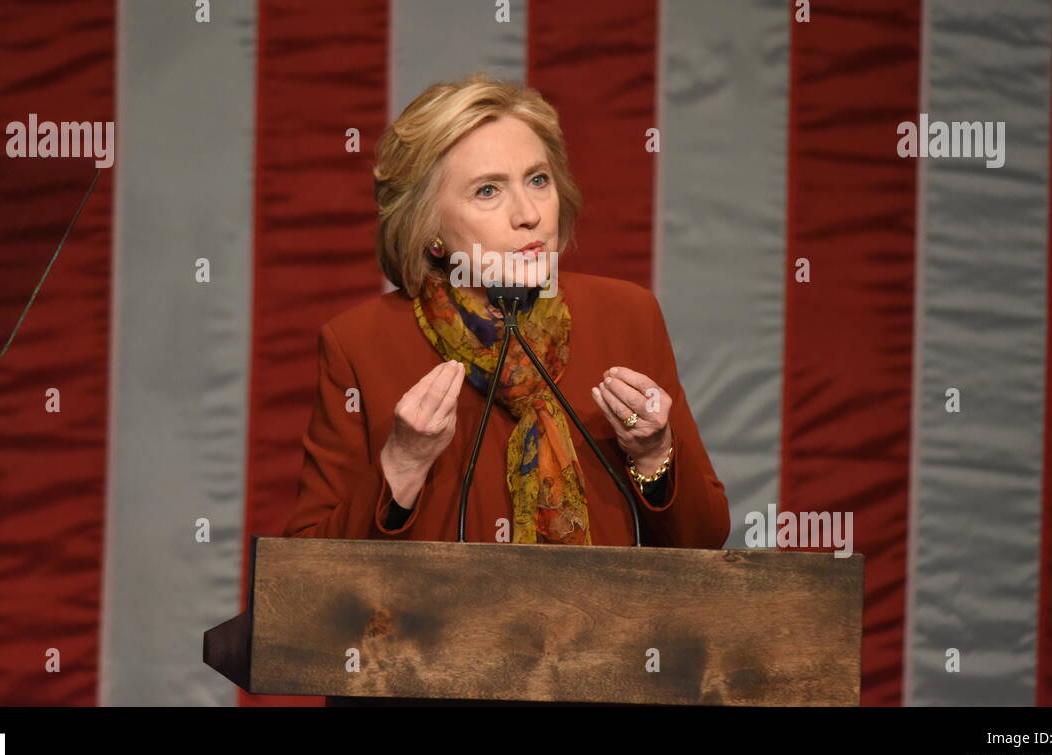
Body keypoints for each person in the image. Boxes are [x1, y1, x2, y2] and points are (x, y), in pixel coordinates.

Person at [284, 74, 730, 549]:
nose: (528, 213)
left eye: (538, 180)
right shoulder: (360, 344)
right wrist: (403, 464)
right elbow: (311, 566)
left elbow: (704, 542)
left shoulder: (627, 315)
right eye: (488, 191)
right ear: (428, 225)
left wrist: (653, 455)